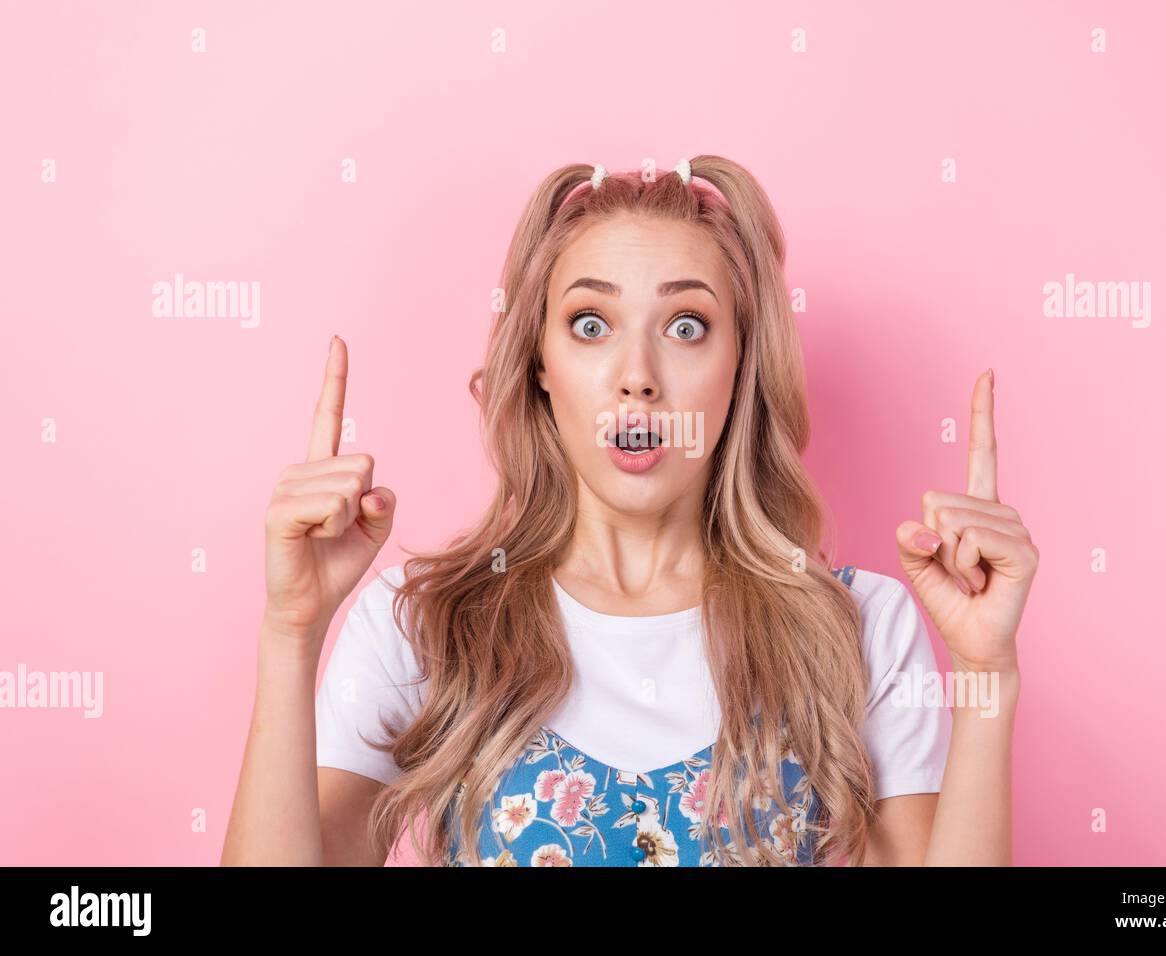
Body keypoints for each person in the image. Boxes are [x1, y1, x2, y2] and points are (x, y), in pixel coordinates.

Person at [221, 155, 1038, 867]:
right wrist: (290, 633)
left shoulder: (856, 625)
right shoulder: (421, 628)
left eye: (686, 326)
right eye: (590, 324)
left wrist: (987, 672)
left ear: (739, 367)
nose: (637, 376)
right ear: (540, 365)